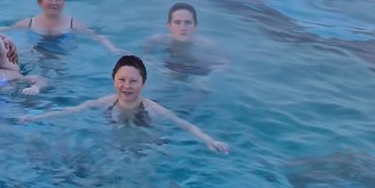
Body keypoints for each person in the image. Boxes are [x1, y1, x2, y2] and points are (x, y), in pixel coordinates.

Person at [18, 54, 229, 154]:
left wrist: (208, 140)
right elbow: (71, 111)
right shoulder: (105, 103)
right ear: (114, 80)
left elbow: (184, 125)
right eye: (122, 80)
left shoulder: (153, 108)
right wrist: (36, 117)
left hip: (144, 147)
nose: (127, 86)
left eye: (133, 81)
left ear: (143, 83)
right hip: (113, 146)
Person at [12, 0, 122, 53]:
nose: (54, 3)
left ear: (64, 2)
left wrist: (115, 49)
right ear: (40, 1)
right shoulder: (30, 23)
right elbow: (7, 29)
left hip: (61, 58)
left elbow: (97, 36)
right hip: (36, 55)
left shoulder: (73, 23)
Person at [142, 2, 228, 75]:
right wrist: (150, 62)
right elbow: (146, 53)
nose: (182, 27)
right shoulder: (158, 40)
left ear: (195, 26)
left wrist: (214, 71)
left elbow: (223, 64)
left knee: (201, 86)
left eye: (187, 22)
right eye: (177, 22)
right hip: (169, 67)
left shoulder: (207, 45)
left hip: (196, 70)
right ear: (169, 26)